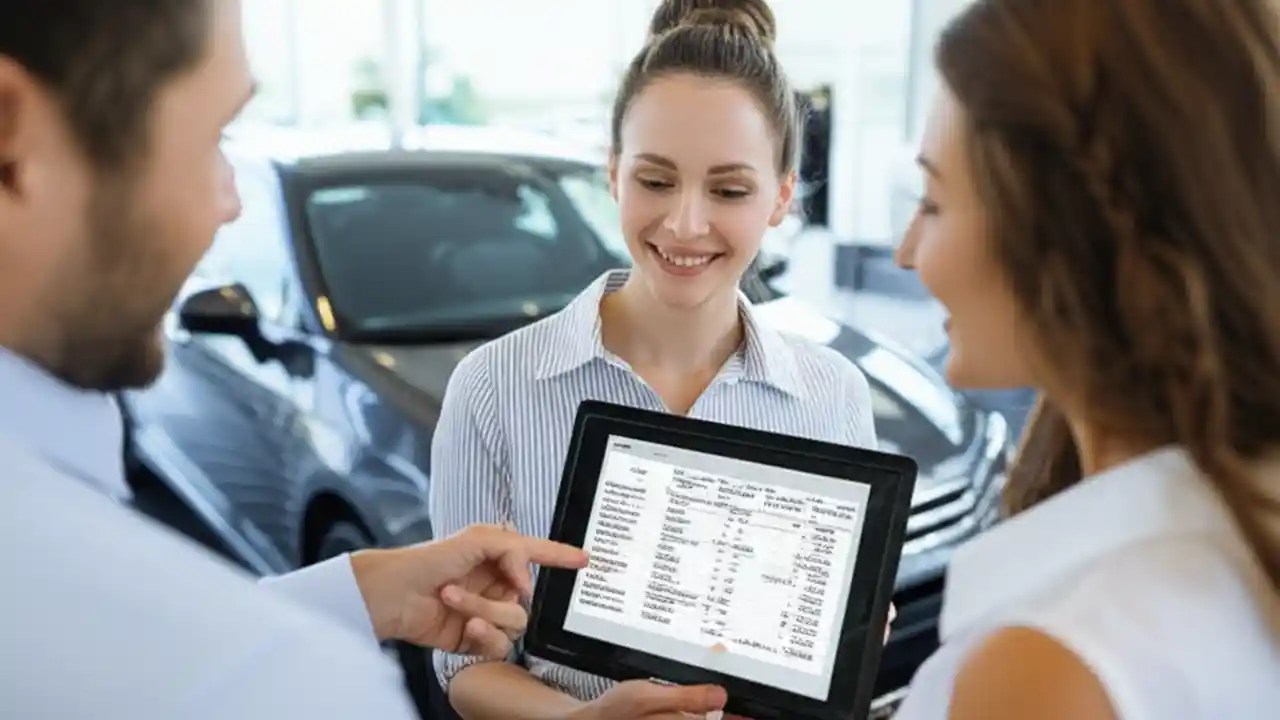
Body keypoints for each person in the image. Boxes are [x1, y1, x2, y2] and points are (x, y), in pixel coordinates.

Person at [0, 1, 588, 716]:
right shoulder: (284, 686)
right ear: (10, 135)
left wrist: (357, 594)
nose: (230, 204)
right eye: (212, 137)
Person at [429, 2, 878, 718]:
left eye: (729, 190)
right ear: (612, 174)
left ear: (781, 198)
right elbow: (465, 666)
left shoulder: (834, 396)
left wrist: (836, 653)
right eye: (655, 180)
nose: (685, 224)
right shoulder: (495, 386)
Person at [890, 0, 1280, 717]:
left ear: (1067, 237)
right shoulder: (1231, 543)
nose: (907, 251)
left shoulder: (1052, 663)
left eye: (933, 202)